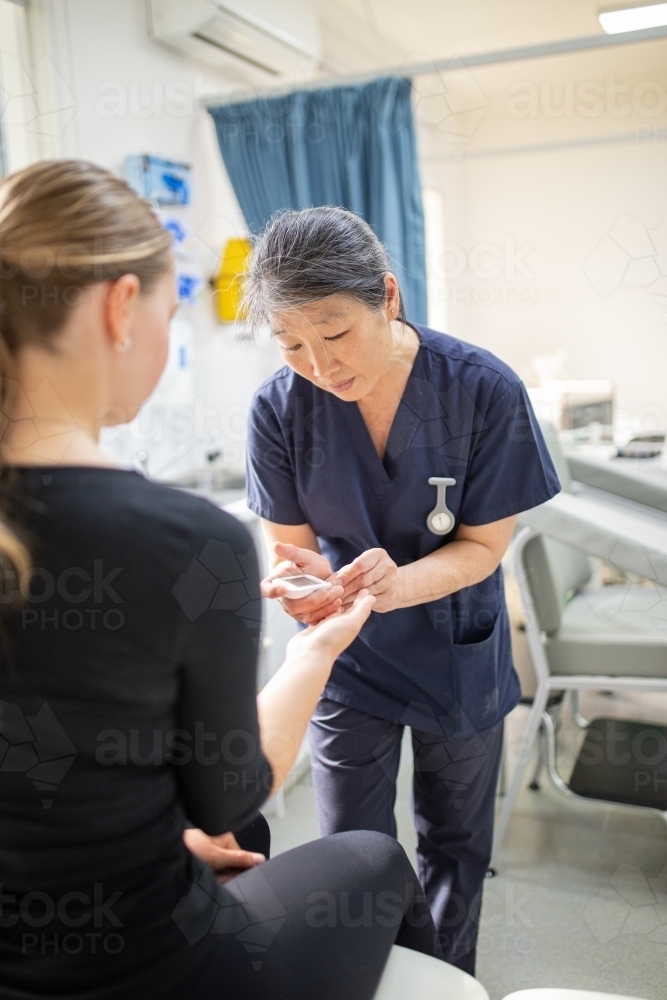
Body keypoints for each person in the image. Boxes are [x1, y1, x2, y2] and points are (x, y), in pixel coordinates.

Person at [0, 161, 442, 1000]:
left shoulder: (469, 380)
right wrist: (315, 652)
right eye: (171, 312)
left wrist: (160, 847)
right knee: (373, 858)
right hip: (151, 970)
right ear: (120, 307)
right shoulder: (180, 540)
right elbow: (227, 793)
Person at [245, 206, 561, 974]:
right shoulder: (278, 410)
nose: (319, 365)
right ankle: (366, 981)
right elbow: (289, 547)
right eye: (291, 344)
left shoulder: (482, 390)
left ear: (387, 296)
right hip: (345, 660)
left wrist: (393, 584)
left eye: (335, 333)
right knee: (353, 853)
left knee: (454, 845)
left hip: (455, 646)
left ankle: (448, 979)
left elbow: (484, 546)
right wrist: (299, 578)